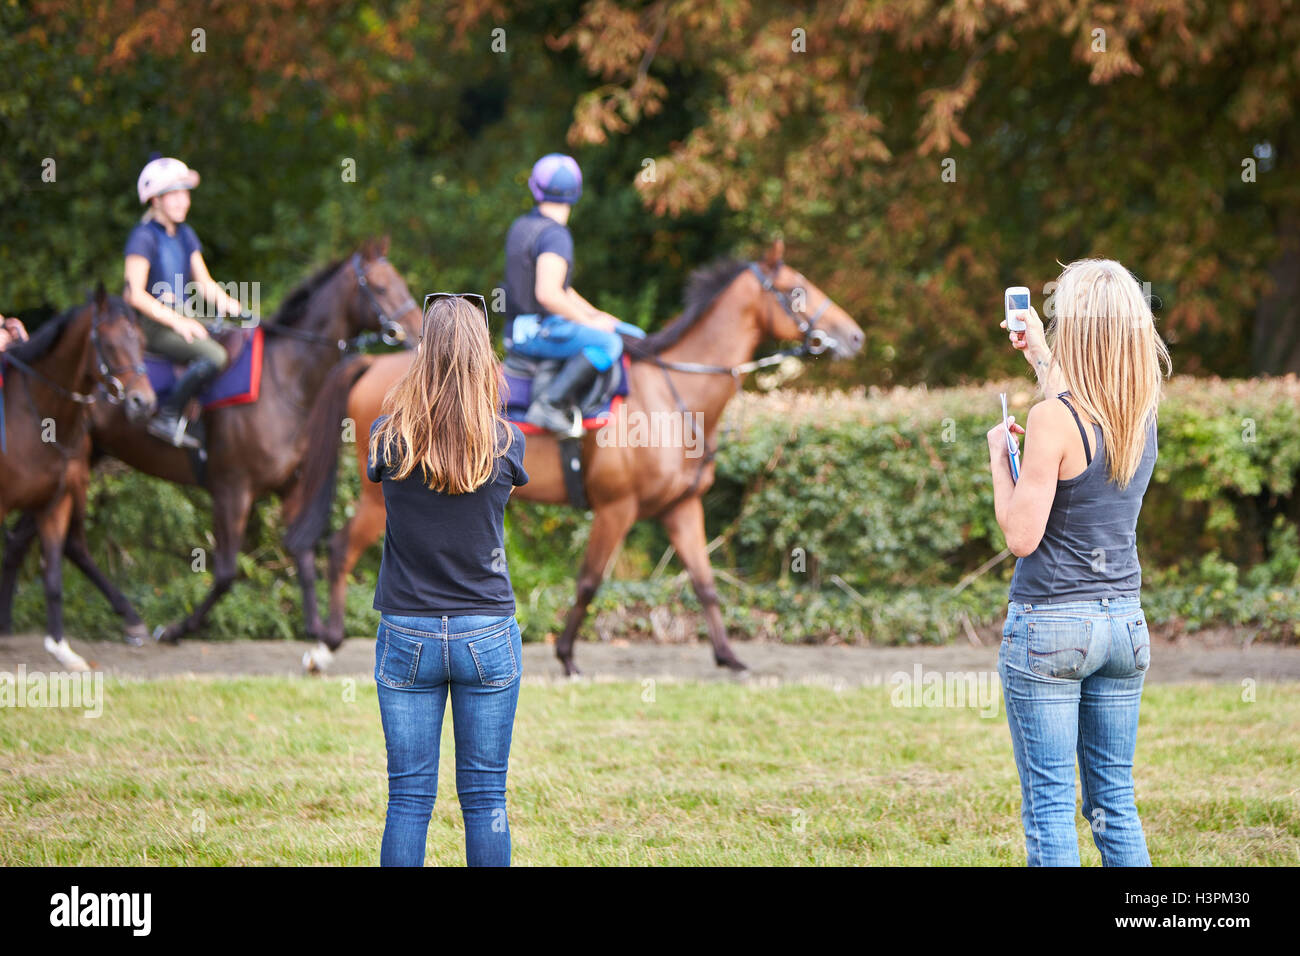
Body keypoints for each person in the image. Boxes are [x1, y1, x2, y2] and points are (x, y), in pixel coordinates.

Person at [988, 258, 1172, 866]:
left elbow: (1021, 536)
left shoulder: (1048, 420)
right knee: (1114, 802)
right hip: (1125, 628)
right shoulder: (1140, 417)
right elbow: (1080, 406)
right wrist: (1040, 356)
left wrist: (998, 457)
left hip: (1051, 629)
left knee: (1048, 807)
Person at [366, 294, 529, 867]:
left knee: (408, 799)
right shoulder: (507, 443)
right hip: (486, 633)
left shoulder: (387, 438)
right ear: (482, 356)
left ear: (424, 355)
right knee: (487, 798)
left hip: (407, 632)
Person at [123, 156, 245, 449]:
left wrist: (236, 308)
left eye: (185, 193)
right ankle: (168, 415)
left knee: (234, 337)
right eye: (174, 194)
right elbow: (134, 294)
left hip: (183, 315)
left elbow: (205, 283)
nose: (183, 201)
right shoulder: (143, 237)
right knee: (214, 356)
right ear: (155, 200)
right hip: (153, 326)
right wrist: (178, 321)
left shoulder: (186, 235)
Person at [502, 152, 624, 432]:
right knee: (610, 344)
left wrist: (595, 314)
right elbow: (548, 294)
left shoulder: (522, 226)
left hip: (517, 330)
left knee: (622, 329)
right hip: (539, 332)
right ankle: (549, 404)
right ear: (576, 193)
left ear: (535, 188)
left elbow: (562, 290)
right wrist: (591, 324)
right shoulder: (555, 235)